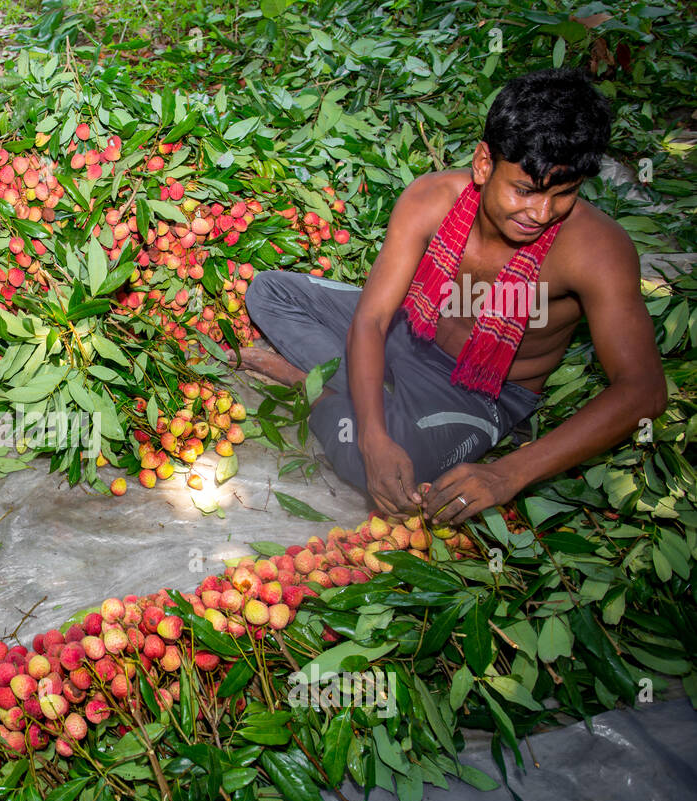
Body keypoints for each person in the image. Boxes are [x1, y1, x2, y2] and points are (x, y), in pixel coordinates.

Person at [238, 68, 667, 525]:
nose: (542, 213)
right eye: (525, 190)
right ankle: (368, 401)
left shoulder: (597, 250)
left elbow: (643, 390)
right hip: (409, 330)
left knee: (400, 473)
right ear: (484, 163)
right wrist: (372, 436)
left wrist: (506, 474)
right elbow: (372, 322)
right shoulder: (430, 199)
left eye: (564, 194)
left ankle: (322, 392)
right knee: (270, 291)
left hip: (482, 390)